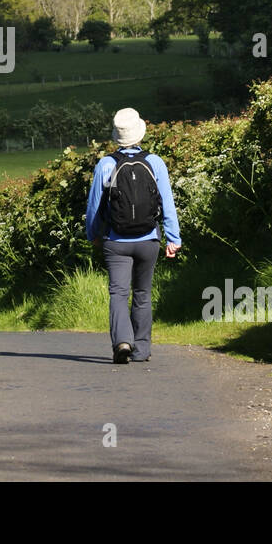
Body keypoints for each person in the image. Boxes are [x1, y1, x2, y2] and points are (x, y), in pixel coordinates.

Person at [85, 107, 181, 364]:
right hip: (149, 239)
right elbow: (167, 204)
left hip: (115, 241)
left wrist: (92, 234)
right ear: (139, 133)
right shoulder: (155, 162)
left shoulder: (106, 164)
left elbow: (94, 207)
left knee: (118, 293)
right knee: (143, 293)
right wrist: (174, 238)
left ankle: (122, 342)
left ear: (117, 135)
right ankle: (141, 349)